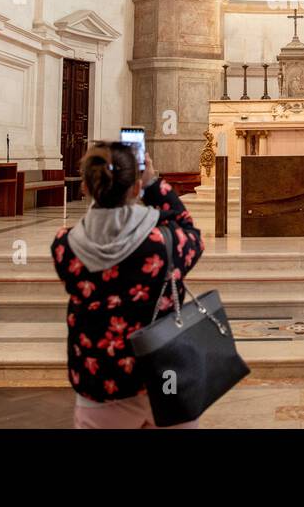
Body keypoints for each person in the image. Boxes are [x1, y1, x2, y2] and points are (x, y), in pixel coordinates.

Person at [51, 141, 205, 428]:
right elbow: (190, 231)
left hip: (101, 381)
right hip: (166, 378)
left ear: (85, 187)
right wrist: (153, 185)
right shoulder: (163, 243)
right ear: (136, 188)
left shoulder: (64, 246)